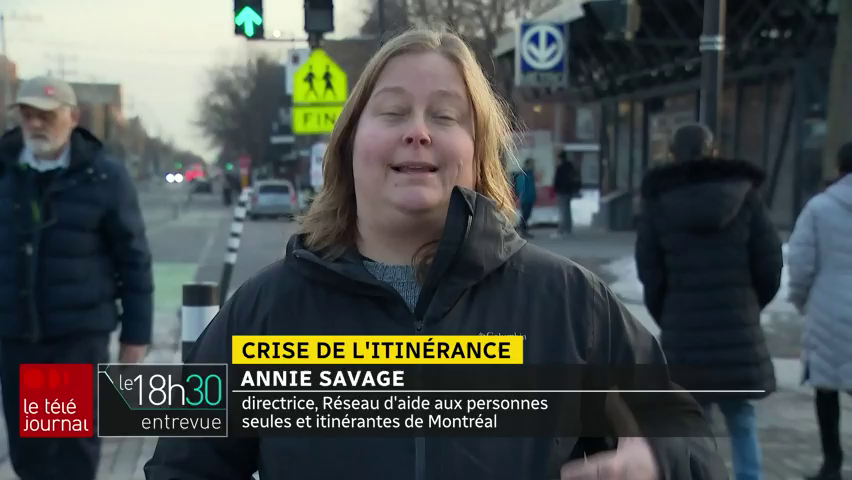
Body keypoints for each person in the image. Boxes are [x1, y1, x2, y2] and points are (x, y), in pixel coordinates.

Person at [145, 29, 727, 480]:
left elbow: (685, 432)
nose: (418, 132)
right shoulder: (265, 313)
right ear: (349, 144)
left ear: (477, 154)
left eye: (445, 116)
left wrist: (658, 459)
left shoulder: (570, 305)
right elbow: (182, 466)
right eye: (393, 112)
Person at [0, 76, 154, 480]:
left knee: (69, 449)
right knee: (28, 453)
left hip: (74, 337)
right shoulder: (6, 172)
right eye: (28, 115)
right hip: (16, 336)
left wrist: (135, 336)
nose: (36, 124)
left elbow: (134, 260)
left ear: (73, 117)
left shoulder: (103, 178)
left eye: (47, 115)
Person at [635, 123, 783, 480]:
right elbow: (770, 264)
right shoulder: (745, 195)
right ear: (713, 151)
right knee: (742, 421)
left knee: (692, 425)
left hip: (684, 331)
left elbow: (650, 272)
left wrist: (669, 314)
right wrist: (748, 307)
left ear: (673, 155)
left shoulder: (659, 202)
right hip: (738, 330)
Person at [787, 141, 852, 480]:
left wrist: (800, 300)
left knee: (826, 388)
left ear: (839, 168)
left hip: (829, 308)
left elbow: (801, 263)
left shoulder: (819, 207)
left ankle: (832, 463)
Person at [552, 150, 582, 237]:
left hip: (562, 191)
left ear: (560, 158)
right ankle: (568, 229)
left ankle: (562, 230)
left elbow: (557, 181)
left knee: (563, 211)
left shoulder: (560, 168)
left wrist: (556, 189)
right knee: (567, 211)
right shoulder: (570, 167)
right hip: (569, 191)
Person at [514, 157, 537, 238]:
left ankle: (523, 230)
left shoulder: (531, 174)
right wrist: (521, 194)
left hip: (530, 197)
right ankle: (521, 230)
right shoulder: (524, 174)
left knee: (527, 215)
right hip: (526, 198)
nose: (533, 165)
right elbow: (520, 186)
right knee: (525, 215)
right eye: (531, 164)